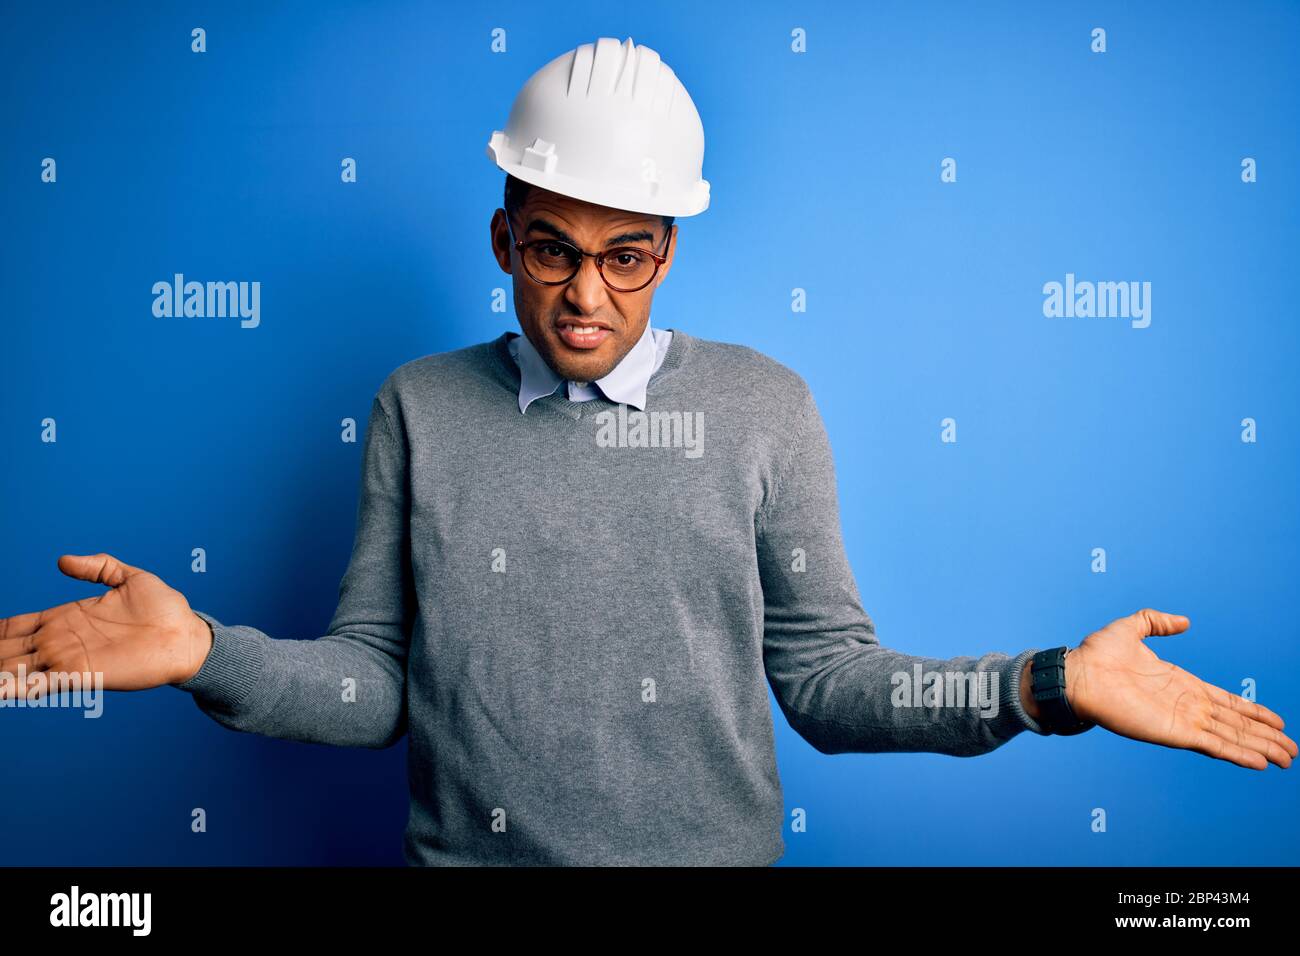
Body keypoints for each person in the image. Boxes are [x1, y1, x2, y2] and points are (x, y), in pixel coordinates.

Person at [1, 37, 1293, 867]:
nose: (585, 297)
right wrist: (205, 656)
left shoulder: (761, 405)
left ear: (668, 252)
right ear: (506, 241)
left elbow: (832, 690)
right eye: (553, 250)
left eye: (626, 258)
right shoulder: (418, 404)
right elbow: (374, 686)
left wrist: (1049, 682)